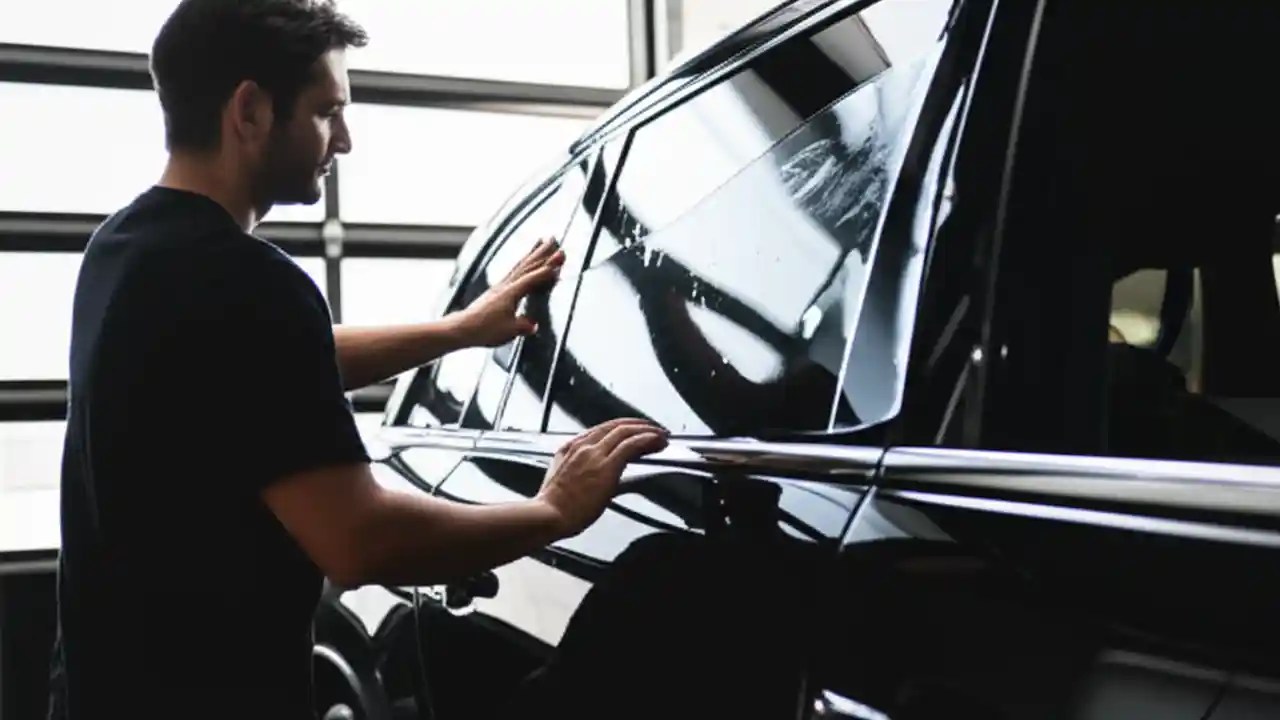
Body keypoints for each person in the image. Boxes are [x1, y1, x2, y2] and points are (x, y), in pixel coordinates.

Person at [47, 1, 668, 718]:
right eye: (326, 111)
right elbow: (361, 541)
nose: (343, 139)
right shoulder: (247, 283)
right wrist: (552, 511)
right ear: (249, 110)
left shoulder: (125, 250)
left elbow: (257, 367)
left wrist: (459, 331)